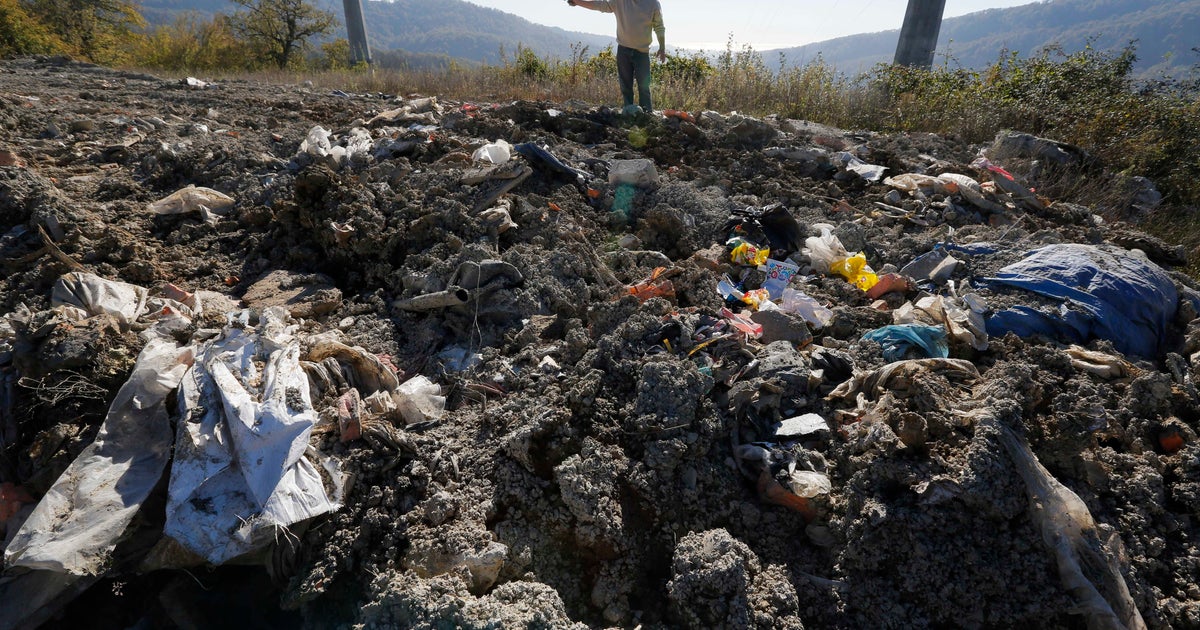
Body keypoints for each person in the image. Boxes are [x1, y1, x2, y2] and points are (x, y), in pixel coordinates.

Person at [568, 0, 666, 113]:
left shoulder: (653, 3)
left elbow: (659, 26)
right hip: (623, 50)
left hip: (642, 52)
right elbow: (599, 5)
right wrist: (577, 2)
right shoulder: (620, 2)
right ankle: (628, 113)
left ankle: (646, 114)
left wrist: (662, 47)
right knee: (625, 86)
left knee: (644, 88)